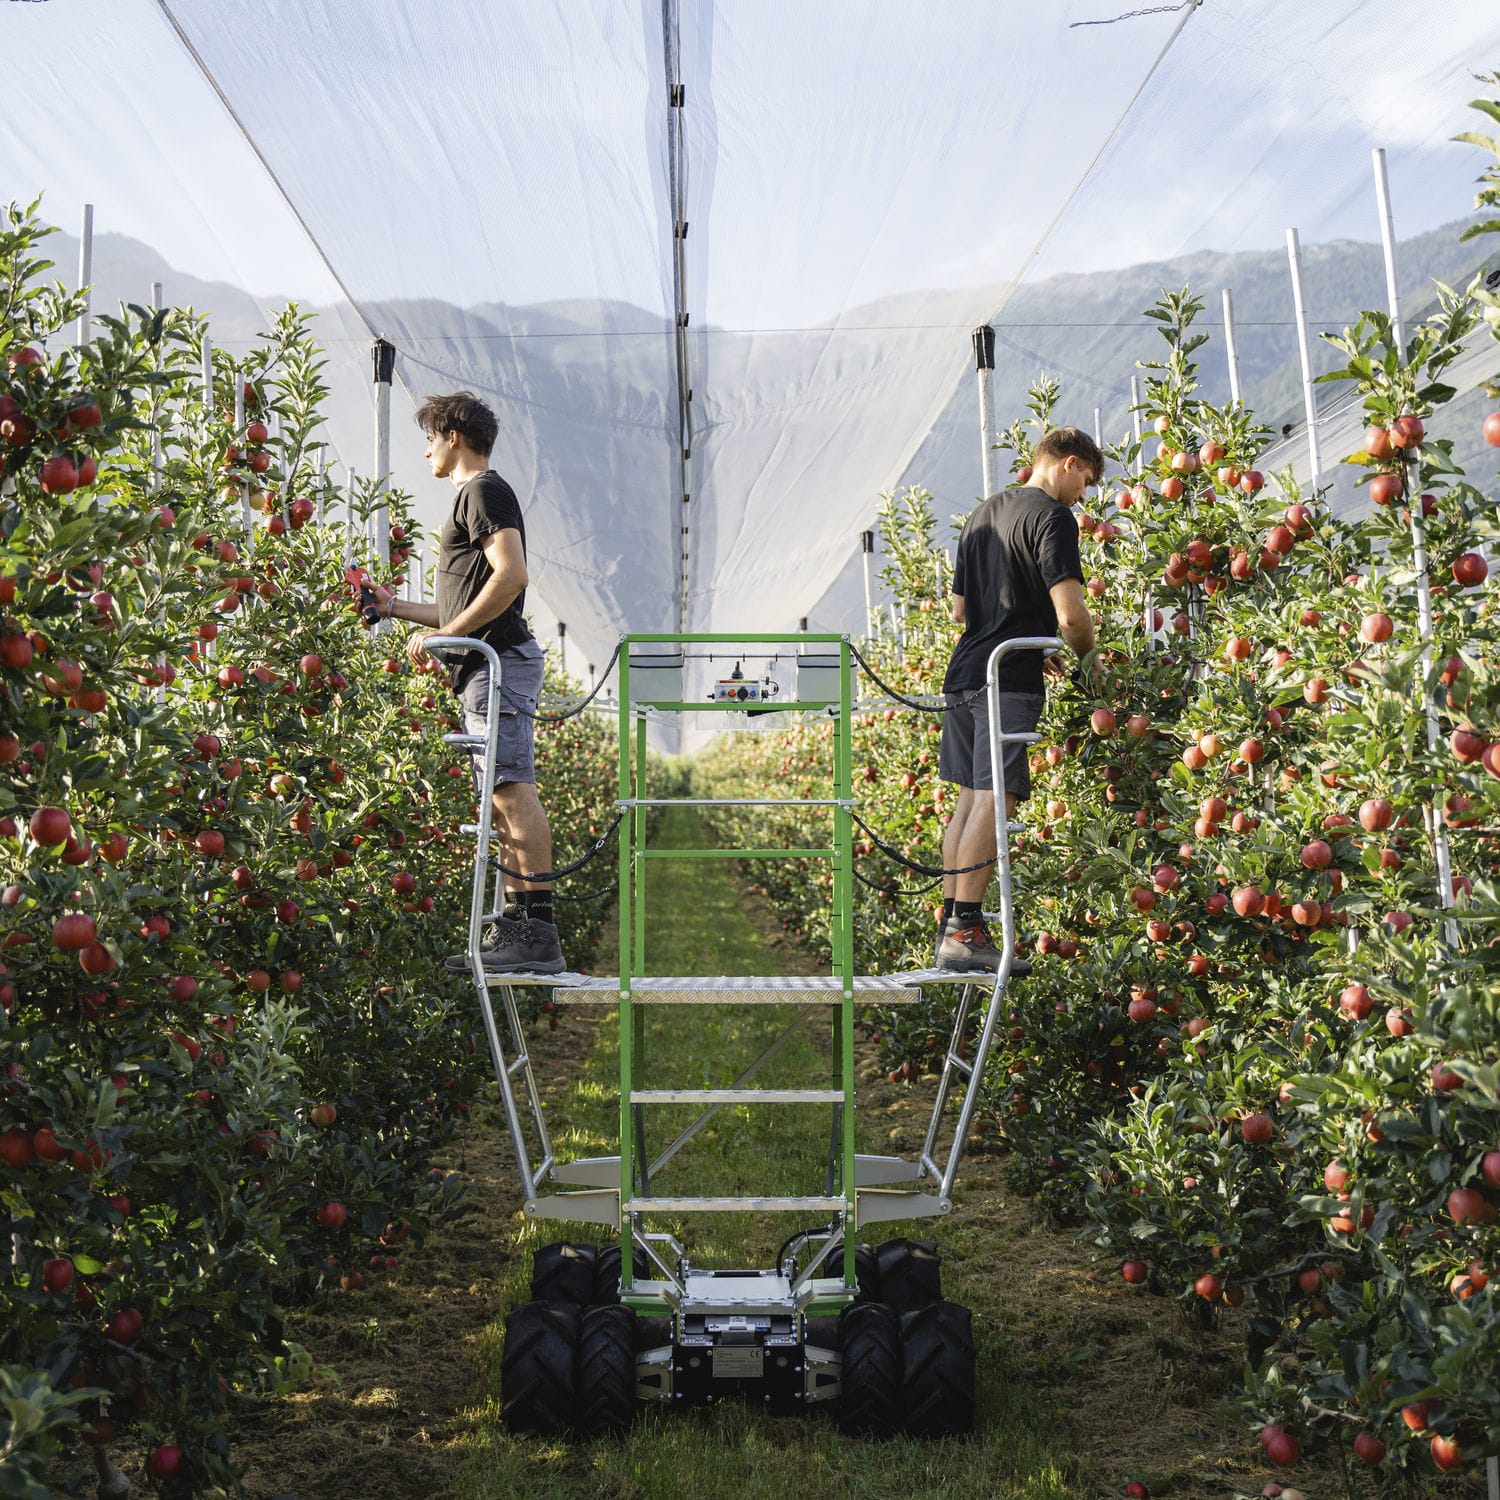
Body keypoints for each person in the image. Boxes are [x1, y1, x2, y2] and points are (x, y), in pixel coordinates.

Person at [372, 391, 565, 975]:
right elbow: (466, 601)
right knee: (497, 796)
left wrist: (453, 636)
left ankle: (539, 932)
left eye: (430, 437)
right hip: (486, 661)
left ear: (453, 435)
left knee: (510, 789)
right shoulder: (473, 498)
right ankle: (516, 930)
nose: (426, 448)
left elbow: (511, 575)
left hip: (496, 661)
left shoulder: (482, 491)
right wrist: (396, 608)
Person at [933, 425, 1101, 972]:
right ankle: (968, 930)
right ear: (1070, 464)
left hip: (965, 670)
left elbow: (961, 611)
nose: (1084, 496)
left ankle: (952, 923)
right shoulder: (1053, 517)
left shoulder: (983, 513)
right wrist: (1085, 657)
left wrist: (1030, 640)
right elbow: (1072, 615)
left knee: (969, 798)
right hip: (1005, 680)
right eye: (1088, 483)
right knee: (995, 799)